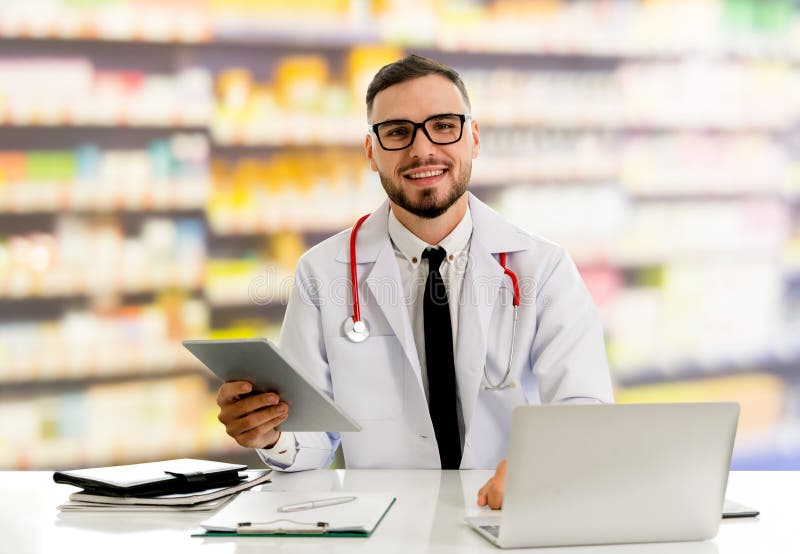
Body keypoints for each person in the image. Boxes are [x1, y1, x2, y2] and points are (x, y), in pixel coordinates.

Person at [216, 54, 614, 508]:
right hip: (384, 521)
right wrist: (269, 432)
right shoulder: (322, 273)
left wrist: (539, 466)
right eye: (397, 132)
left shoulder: (543, 268)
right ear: (371, 152)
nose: (422, 149)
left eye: (443, 126)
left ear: (474, 138)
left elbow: (585, 411)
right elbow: (311, 438)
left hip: (506, 514)